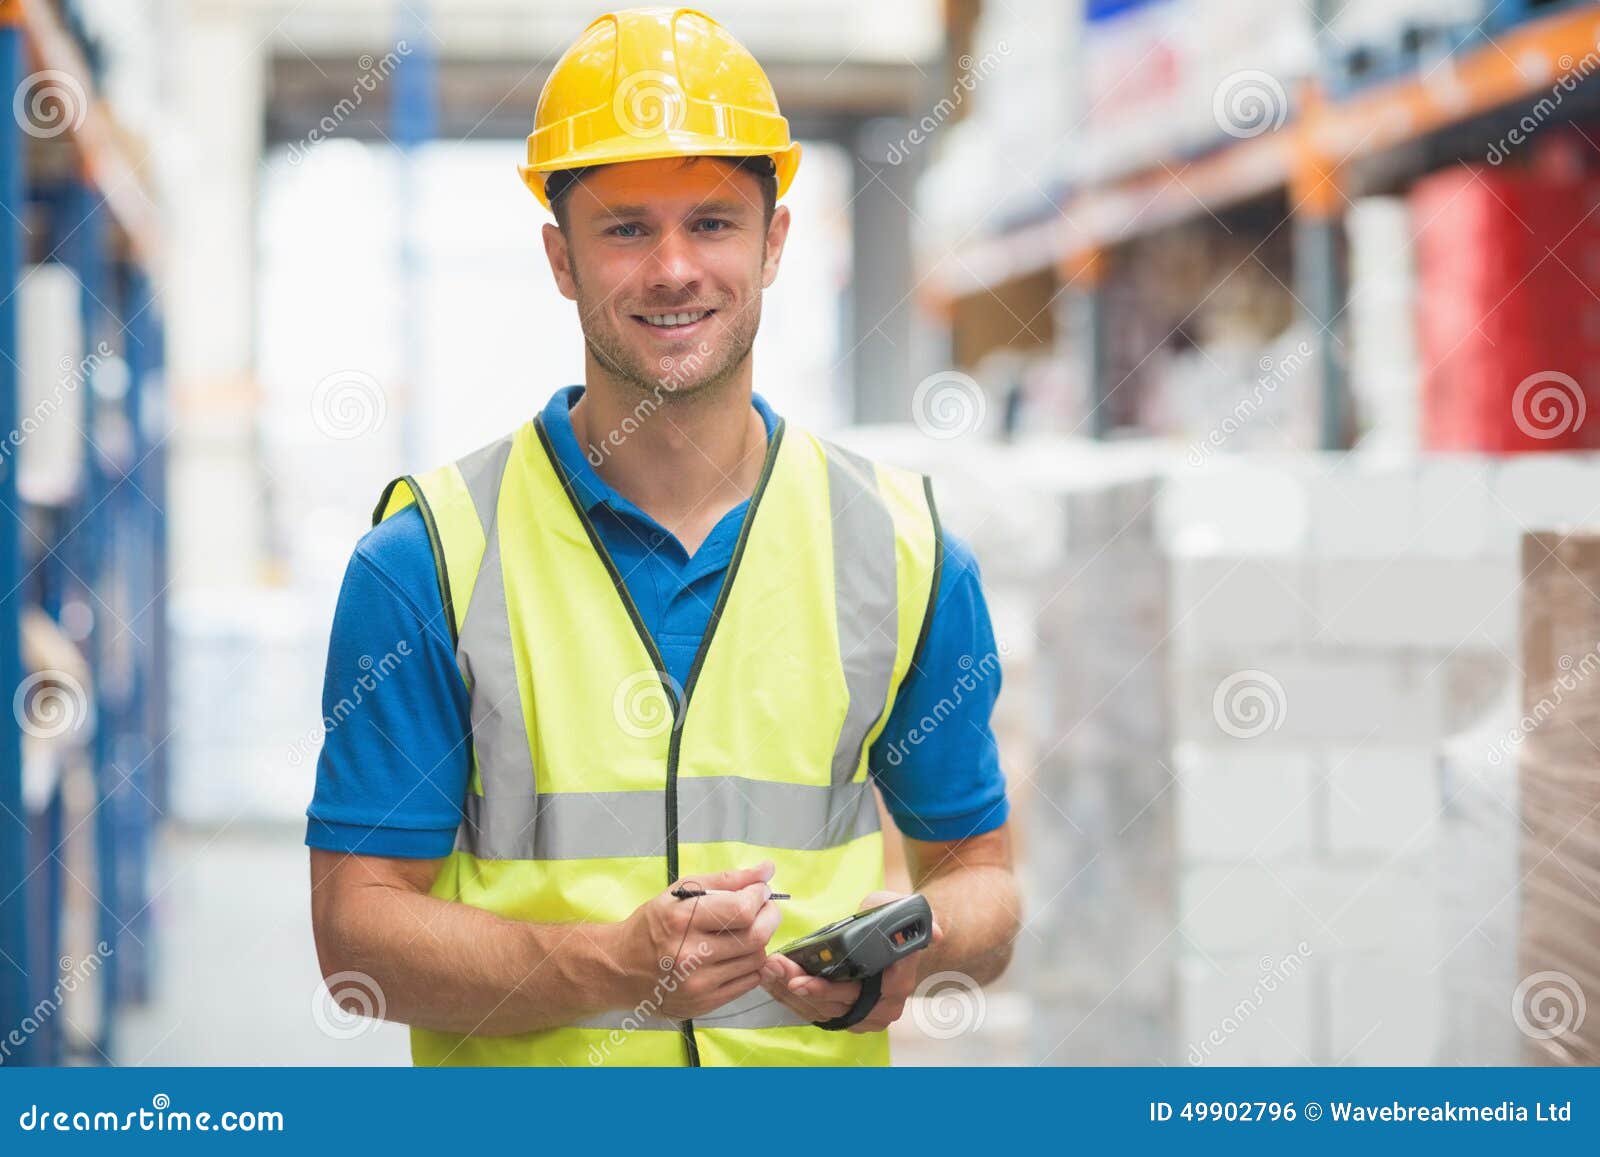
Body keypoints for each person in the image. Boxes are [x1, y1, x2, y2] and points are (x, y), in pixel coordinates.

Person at [306, 6, 1019, 1067]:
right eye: (627, 228)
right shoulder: (430, 561)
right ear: (562, 258)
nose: (674, 268)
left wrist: (910, 944)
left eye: (714, 222)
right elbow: (355, 932)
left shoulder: (900, 548)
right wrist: (610, 965)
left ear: (775, 241)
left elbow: (983, 880)